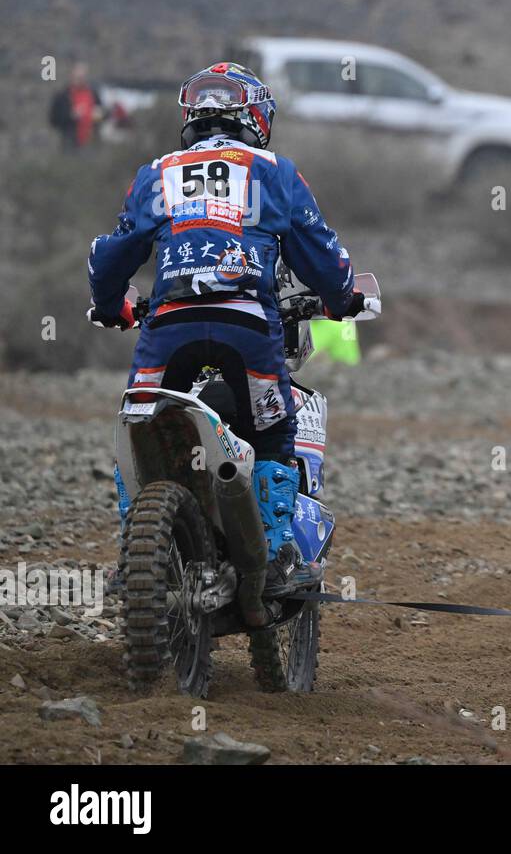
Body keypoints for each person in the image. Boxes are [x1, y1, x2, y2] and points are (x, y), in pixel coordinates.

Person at [87, 62, 365, 622]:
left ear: (189, 119)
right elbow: (321, 253)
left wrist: (112, 304)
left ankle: (133, 553)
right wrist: (342, 299)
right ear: (256, 118)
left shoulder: (155, 173)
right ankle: (280, 554)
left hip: (168, 329)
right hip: (248, 328)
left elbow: (111, 254)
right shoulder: (275, 172)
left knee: (139, 429)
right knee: (275, 432)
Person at [48, 62, 103, 149]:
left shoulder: (93, 94)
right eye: (79, 77)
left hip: (91, 142)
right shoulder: (62, 96)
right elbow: (54, 120)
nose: (81, 80)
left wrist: (99, 115)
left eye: (83, 77)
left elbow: (103, 113)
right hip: (70, 143)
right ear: (72, 76)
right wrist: (71, 116)